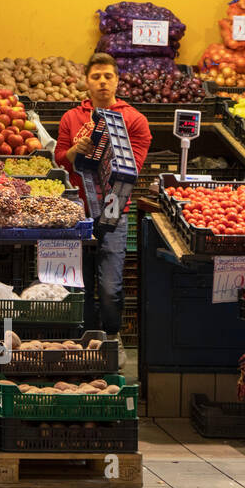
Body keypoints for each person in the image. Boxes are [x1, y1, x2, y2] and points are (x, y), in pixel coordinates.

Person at [53, 53, 151, 366]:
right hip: (76, 213)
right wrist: (75, 150)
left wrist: (104, 148)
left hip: (114, 211)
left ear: (117, 80)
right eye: (96, 77)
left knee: (110, 286)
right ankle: (81, 344)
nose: (102, 82)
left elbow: (133, 164)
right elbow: (58, 160)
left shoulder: (133, 119)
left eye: (108, 76)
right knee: (76, 285)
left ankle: (112, 339)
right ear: (86, 82)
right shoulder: (71, 118)